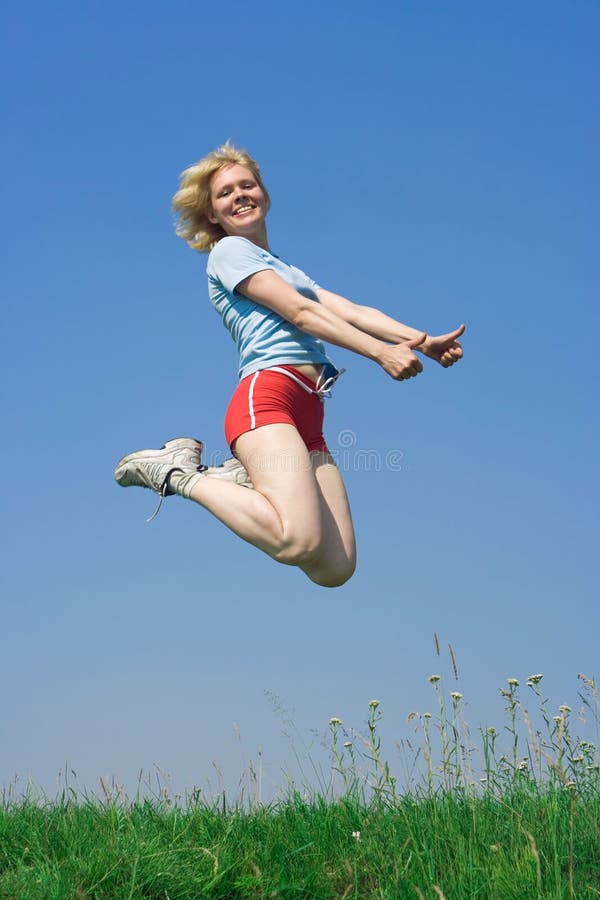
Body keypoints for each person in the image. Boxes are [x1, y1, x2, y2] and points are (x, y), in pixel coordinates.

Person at [115, 142, 465, 587]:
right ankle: (178, 472)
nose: (240, 195)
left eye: (248, 185)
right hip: (269, 398)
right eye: (225, 193)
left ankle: (239, 475)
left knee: (334, 567)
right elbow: (301, 314)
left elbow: (352, 311)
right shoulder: (229, 253)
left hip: (309, 412)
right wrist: (379, 353)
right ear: (212, 216)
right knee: (296, 542)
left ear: (264, 194)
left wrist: (420, 339)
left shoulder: (281, 267)